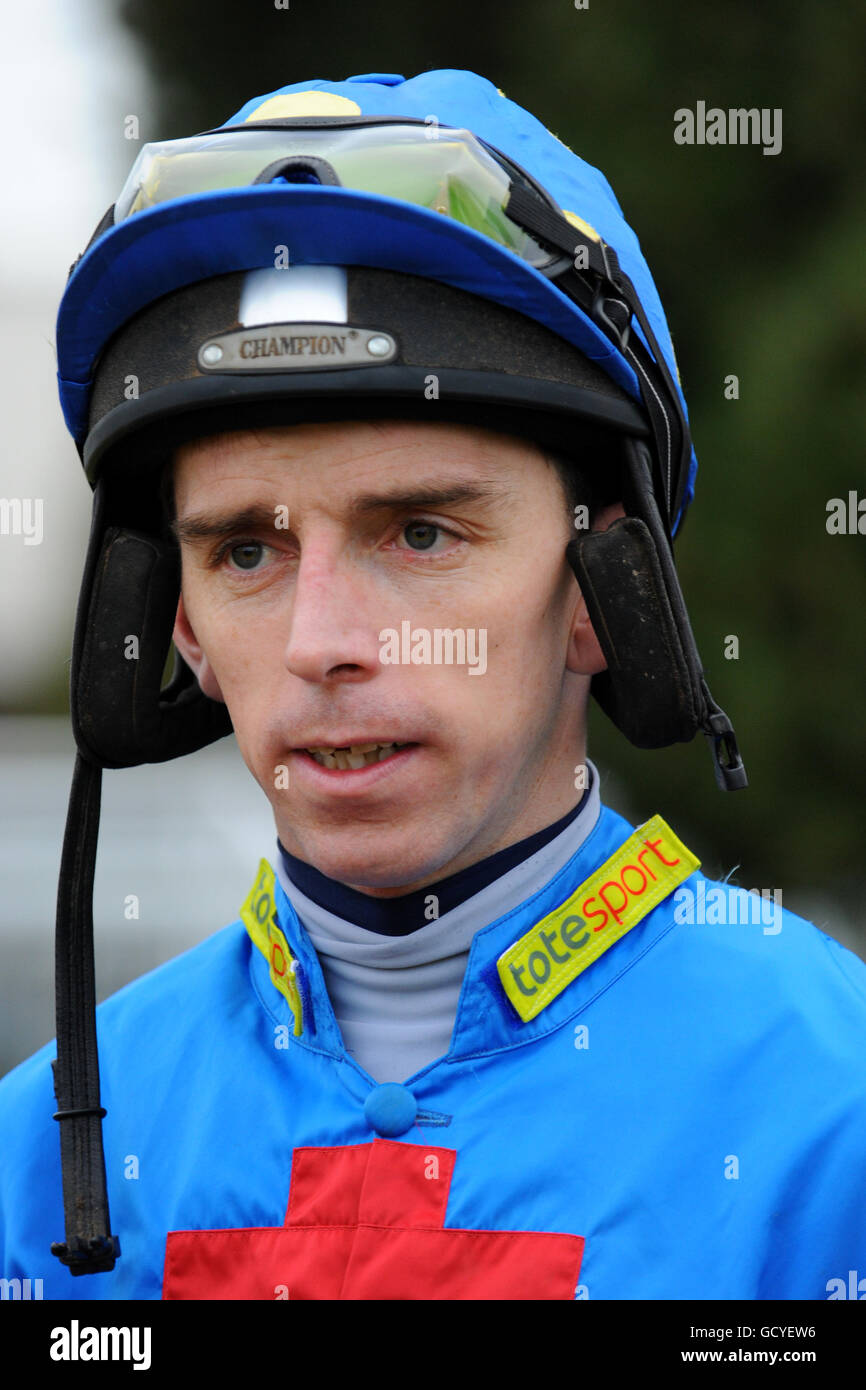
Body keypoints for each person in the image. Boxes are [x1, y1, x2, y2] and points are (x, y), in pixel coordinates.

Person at [0, 69, 863, 1302]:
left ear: (602, 599)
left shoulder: (834, 1117)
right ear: (176, 625)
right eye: (247, 548)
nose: (321, 642)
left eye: (418, 534)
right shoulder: (34, 1155)